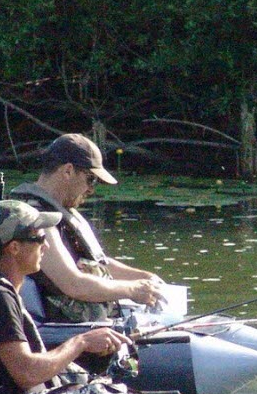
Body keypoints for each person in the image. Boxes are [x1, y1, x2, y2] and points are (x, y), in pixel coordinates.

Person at [0, 200, 131, 394]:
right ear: (14, 248)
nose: (46, 246)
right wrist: (81, 342)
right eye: (40, 239)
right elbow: (27, 373)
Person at [9, 133, 164, 323]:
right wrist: (132, 289)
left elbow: (98, 263)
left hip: (92, 319)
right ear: (68, 171)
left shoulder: (64, 211)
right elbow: (73, 284)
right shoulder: (37, 219)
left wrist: (146, 279)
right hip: (59, 327)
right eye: (91, 179)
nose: (91, 189)